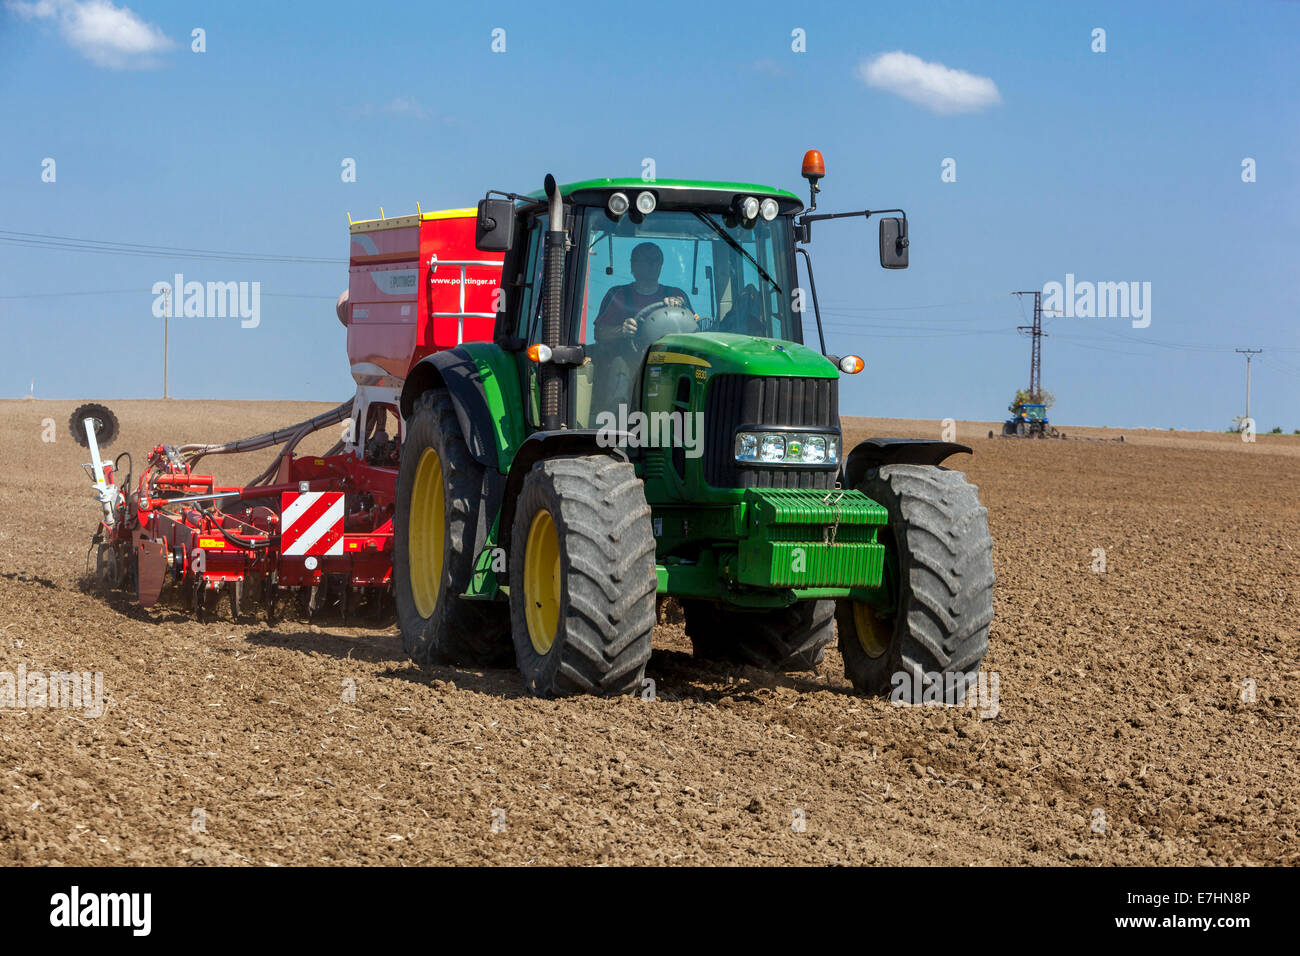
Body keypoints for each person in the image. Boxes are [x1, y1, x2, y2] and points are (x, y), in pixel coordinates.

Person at [593, 242, 695, 340]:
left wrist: (682, 308)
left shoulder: (676, 295)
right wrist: (621, 331)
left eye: (657, 260)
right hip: (627, 357)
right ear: (633, 264)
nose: (653, 264)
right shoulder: (617, 295)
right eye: (647, 260)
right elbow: (598, 333)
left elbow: (697, 327)